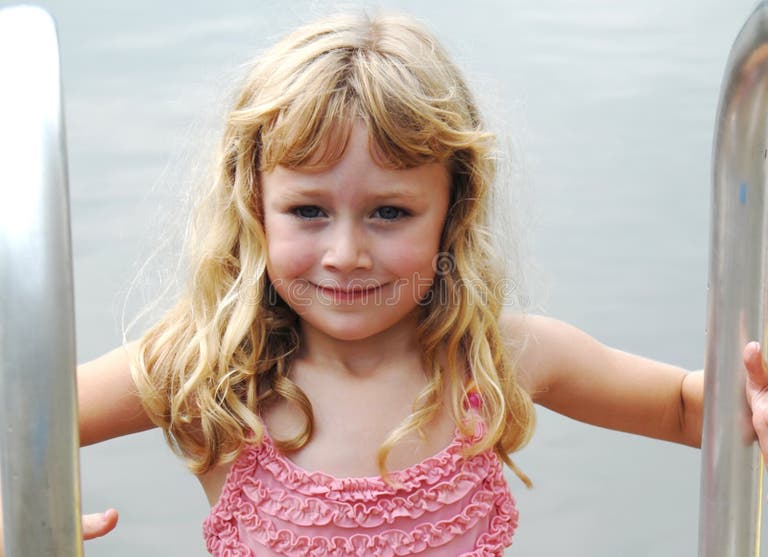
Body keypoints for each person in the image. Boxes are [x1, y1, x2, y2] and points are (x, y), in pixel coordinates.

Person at [3, 11, 768, 556]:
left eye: (389, 212)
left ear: (452, 210)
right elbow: (21, 427)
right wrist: (22, 508)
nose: (345, 253)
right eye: (307, 209)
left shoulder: (495, 360)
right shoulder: (210, 366)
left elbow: (680, 409)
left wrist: (754, 397)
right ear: (254, 207)